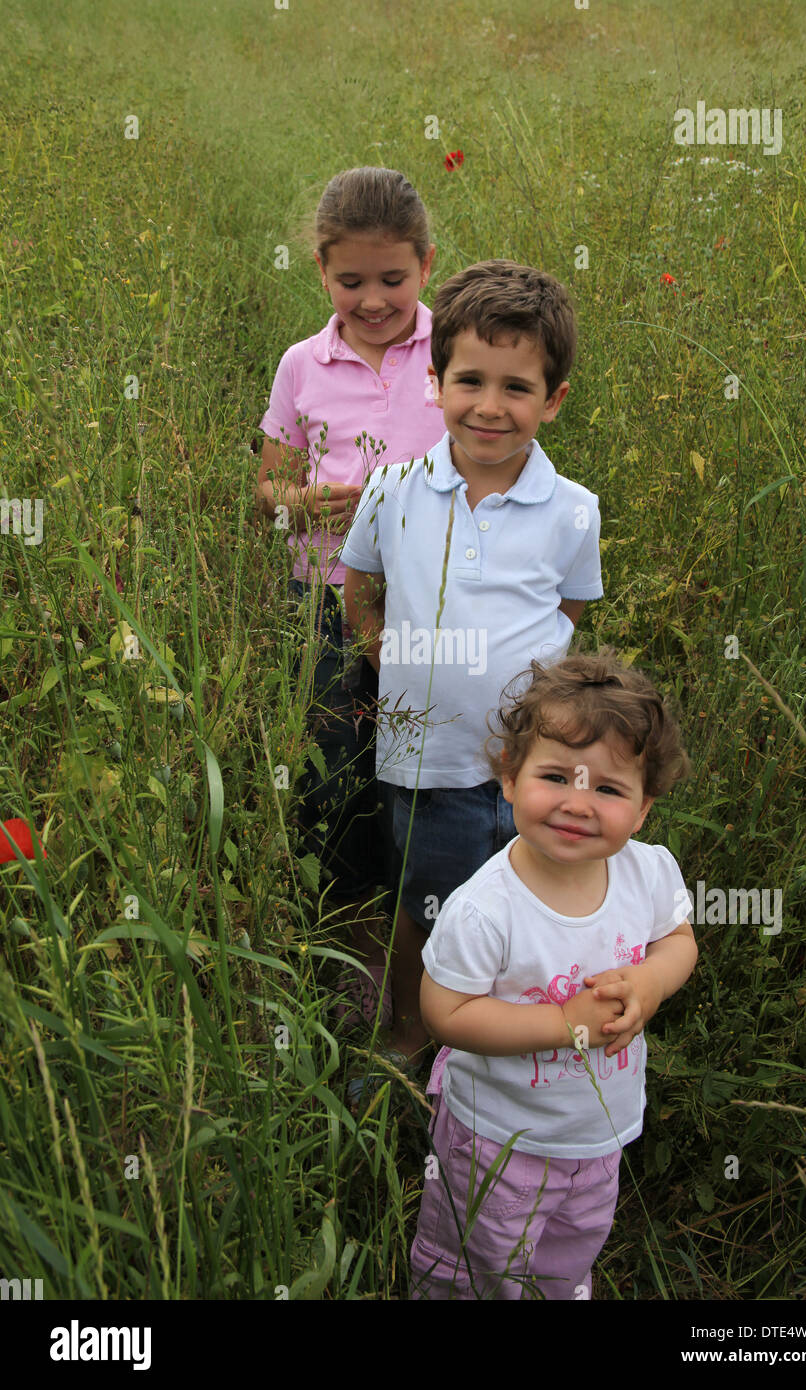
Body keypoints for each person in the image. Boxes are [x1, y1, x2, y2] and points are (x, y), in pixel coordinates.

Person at [341, 260, 602, 1064]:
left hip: (536, 765)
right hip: (429, 761)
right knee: (426, 905)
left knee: (530, 902)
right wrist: (386, 654)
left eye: (517, 388)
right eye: (470, 381)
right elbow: (360, 584)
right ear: (436, 382)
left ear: (552, 401)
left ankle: (505, 1030)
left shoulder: (572, 509)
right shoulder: (392, 491)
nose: (490, 407)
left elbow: (568, 610)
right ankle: (412, 1028)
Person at [410, 650, 698, 1300]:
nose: (577, 803)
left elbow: (679, 940)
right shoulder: (487, 909)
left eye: (608, 788)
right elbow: (445, 1012)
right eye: (555, 777)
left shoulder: (647, 874)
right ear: (508, 778)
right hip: (497, 1138)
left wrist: (651, 983)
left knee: (569, 1254)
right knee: (477, 1264)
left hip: (598, 1133)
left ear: (644, 808)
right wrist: (563, 1024)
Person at [254, 168, 443, 1020]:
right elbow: (270, 485)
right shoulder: (304, 364)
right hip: (324, 596)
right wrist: (298, 503)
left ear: (426, 267)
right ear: (322, 271)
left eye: (393, 281)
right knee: (334, 754)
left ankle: (426, 913)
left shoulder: (452, 350)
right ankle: (343, 923)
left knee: (419, 762)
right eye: (351, 281)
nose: (373, 301)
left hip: (432, 602)